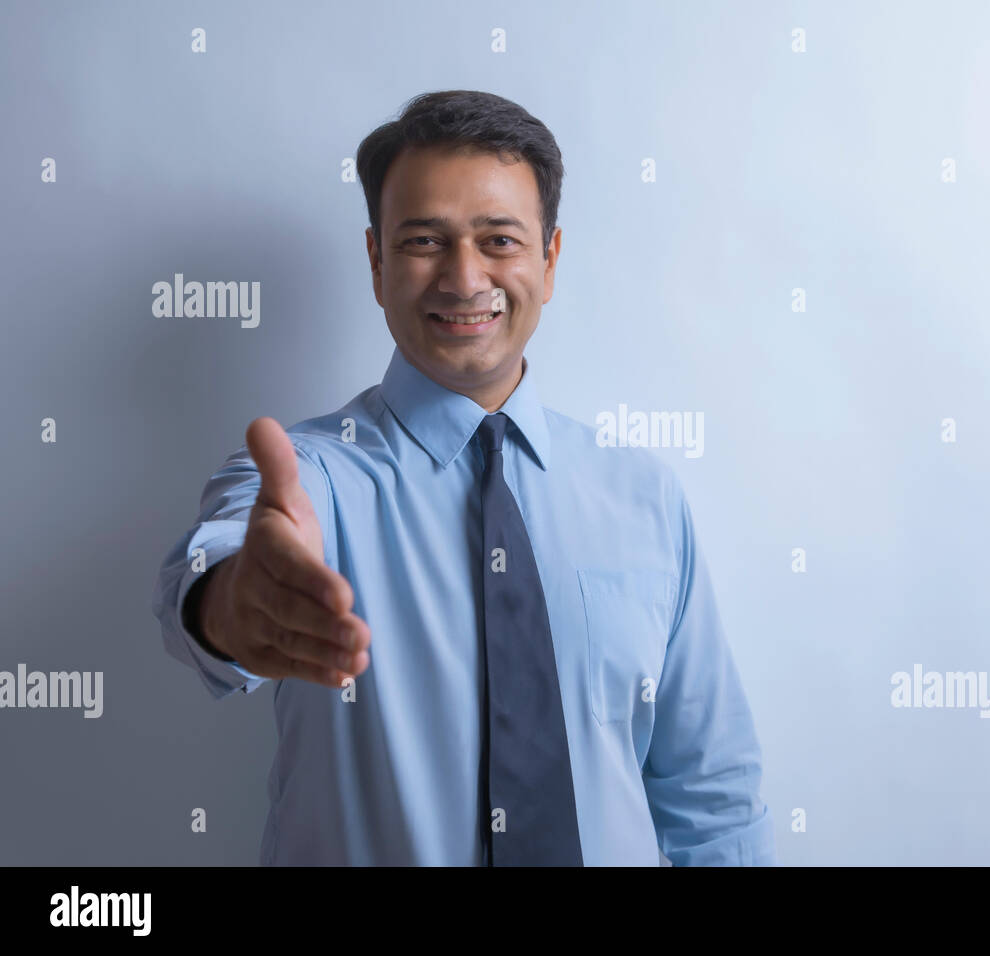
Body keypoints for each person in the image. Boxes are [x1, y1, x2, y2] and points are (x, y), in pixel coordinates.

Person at [150, 90, 776, 866]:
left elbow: (709, 798)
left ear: (549, 261)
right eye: (423, 242)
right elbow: (206, 587)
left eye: (500, 240)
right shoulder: (305, 478)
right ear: (377, 263)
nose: (464, 277)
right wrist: (240, 607)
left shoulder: (644, 497)